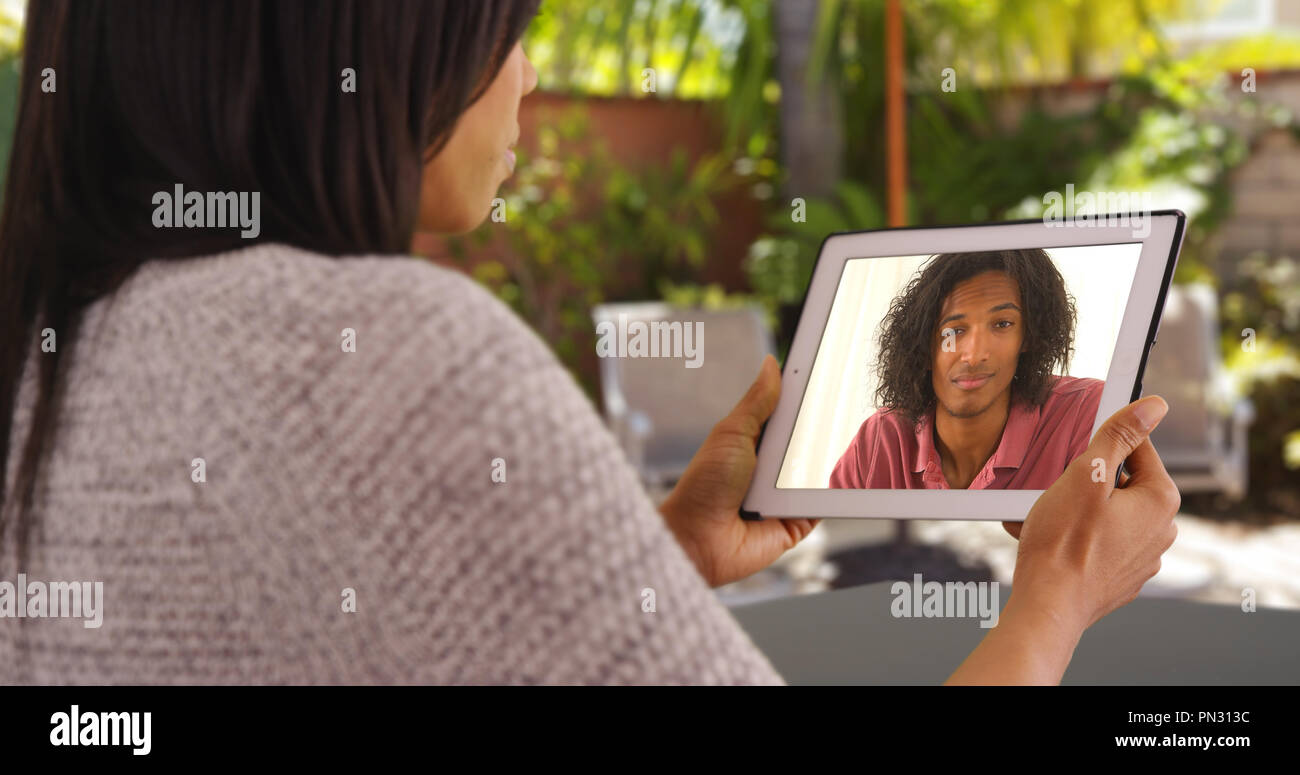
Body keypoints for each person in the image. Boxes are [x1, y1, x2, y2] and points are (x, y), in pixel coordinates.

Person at [0, 1, 1178, 685]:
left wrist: (630, 570)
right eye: (506, 27)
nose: (525, 75)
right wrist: (1055, 598)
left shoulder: (66, 333)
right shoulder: (381, 359)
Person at [829, 249, 1104, 490]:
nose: (973, 356)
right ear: (923, 347)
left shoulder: (1083, 413)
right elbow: (828, 544)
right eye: (954, 330)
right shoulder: (881, 439)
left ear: (1029, 337)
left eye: (1002, 324)